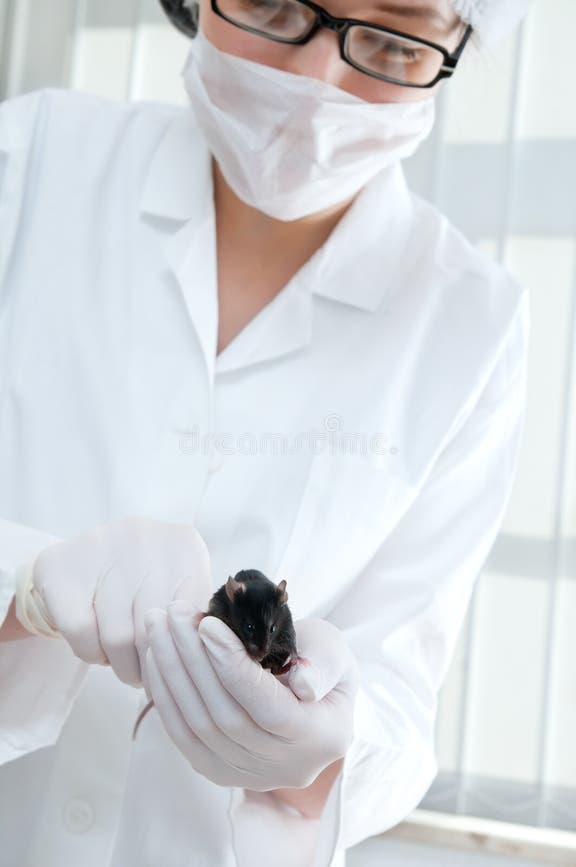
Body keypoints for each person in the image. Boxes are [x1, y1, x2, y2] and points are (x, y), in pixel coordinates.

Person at [0, 0, 532, 865]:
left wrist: (313, 758)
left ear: (459, 40)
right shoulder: (27, 166)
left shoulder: (470, 321)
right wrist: (21, 590)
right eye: (275, 4)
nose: (316, 83)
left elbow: (396, 698)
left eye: (395, 39)